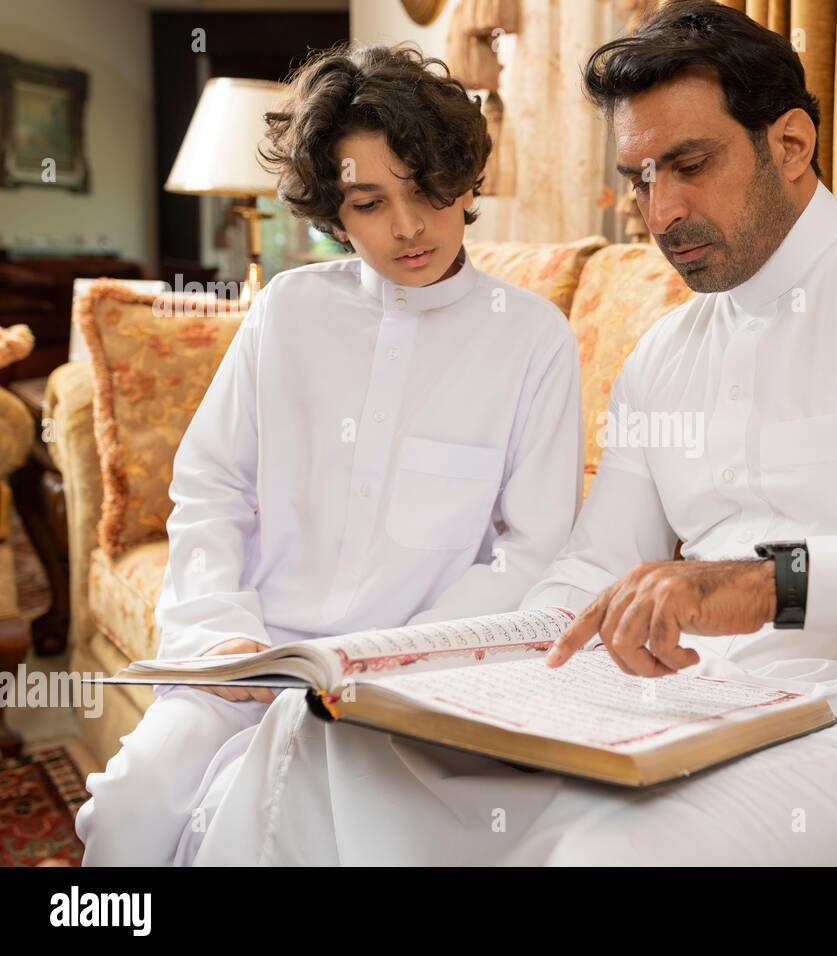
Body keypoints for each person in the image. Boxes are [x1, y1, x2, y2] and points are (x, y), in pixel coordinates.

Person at [191, 2, 837, 866]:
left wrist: (776, 584)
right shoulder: (666, 353)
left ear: (789, 144)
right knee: (326, 742)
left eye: (690, 166)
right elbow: (582, 576)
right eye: (639, 177)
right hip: (694, 710)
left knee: (605, 854)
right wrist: (426, 672)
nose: (660, 213)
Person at [74, 42, 582, 866]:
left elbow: (531, 546)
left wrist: (393, 659)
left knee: (261, 827)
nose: (409, 227)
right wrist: (221, 635)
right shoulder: (290, 310)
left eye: (425, 190)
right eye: (371, 202)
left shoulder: (532, 340)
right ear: (334, 214)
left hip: (405, 679)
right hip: (249, 659)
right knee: (130, 809)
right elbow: (211, 484)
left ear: (464, 177)